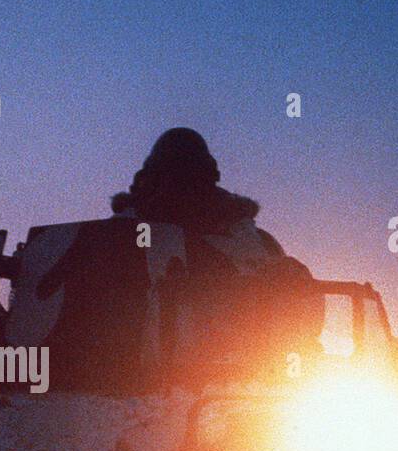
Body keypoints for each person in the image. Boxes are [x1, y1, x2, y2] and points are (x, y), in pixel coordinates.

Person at [112, 128, 320, 375]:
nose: (181, 187)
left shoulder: (255, 243)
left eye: (192, 176)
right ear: (150, 179)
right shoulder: (118, 238)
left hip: (239, 388)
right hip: (125, 386)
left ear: (209, 177)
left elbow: (302, 318)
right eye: (171, 175)